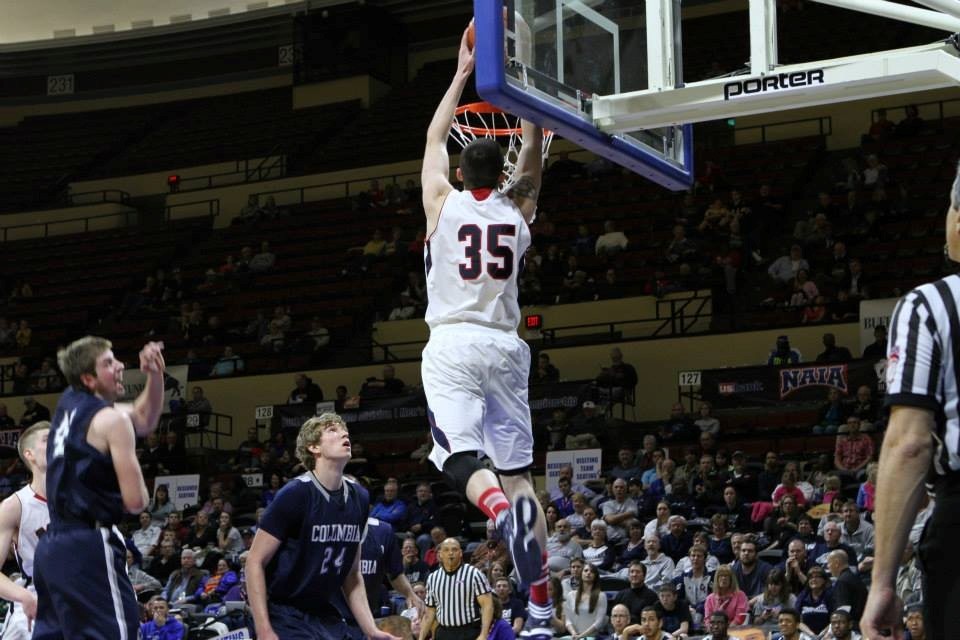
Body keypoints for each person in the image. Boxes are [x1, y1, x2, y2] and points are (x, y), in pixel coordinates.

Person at [419, 22, 551, 637]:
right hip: (506, 346)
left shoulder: (441, 203)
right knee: (521, 472)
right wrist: (525, 102)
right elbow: (530, 157)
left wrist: (462, 72)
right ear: (498, 172)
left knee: (455, 455)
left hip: (452, 341)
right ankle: (543, 606)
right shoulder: (516, 205)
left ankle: (495, 510)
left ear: (458, 166)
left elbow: (433, 133)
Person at [33, 338, 166, 640]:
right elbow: (135, 503)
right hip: (89, 543)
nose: (120, 366)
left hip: (52, 546)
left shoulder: (69, 401)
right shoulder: (111, 420)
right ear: (89, 379)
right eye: (108, 362)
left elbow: (144, 418)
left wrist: (155, 376)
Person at [245, 413, 397, 640]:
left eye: (344, 430)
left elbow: (352, 574)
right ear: (313, 447)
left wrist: (371, 631)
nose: (344, 433)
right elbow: (254, 562)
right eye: (333, 431)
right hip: (283, 611)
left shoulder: (360, 498)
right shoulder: (296, 494)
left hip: (322, 610)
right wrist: (265, 629)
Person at [0, 421, 49, 639]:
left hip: (77, 599)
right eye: (48, 440)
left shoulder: (83, 499)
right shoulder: (15, 506)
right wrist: (23, 596)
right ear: (29, 454)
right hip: (32, 604)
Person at [419, 538, 493, 640]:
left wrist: (484, 634)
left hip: (468, 632)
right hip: (444, 633)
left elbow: (487, 605)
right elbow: (430, 612)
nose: (450, 553)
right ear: (440, 554)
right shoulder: (433, 578)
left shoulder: (474, 574)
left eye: (454, 549)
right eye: (446, 550)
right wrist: (421, 638)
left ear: (460, 553)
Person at [562, 563, 607, 640]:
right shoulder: (571, 595)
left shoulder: (601, 596)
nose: (588, 573)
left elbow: (599, 622)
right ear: (581, 574)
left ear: (596, 576)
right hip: (574, 636)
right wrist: (574, 634)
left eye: (592, 571)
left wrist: (581, 636)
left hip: (591, 637)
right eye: (586, 570)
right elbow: (568, 619)